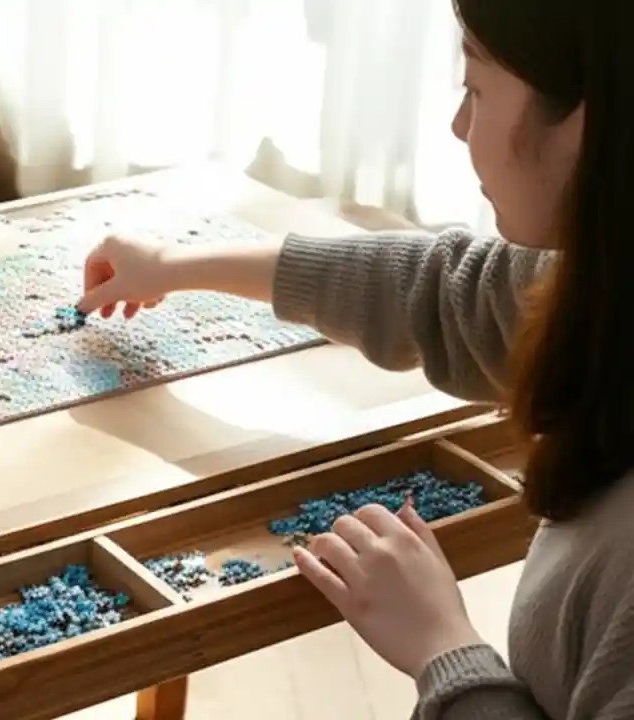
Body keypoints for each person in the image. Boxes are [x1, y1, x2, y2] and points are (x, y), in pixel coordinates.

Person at [75, 1, 634, 718]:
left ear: (585, 121)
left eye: (476, 87)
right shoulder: (601, 291)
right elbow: (435, 291)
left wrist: (444, 647)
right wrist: (175, 266)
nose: (459, 125)